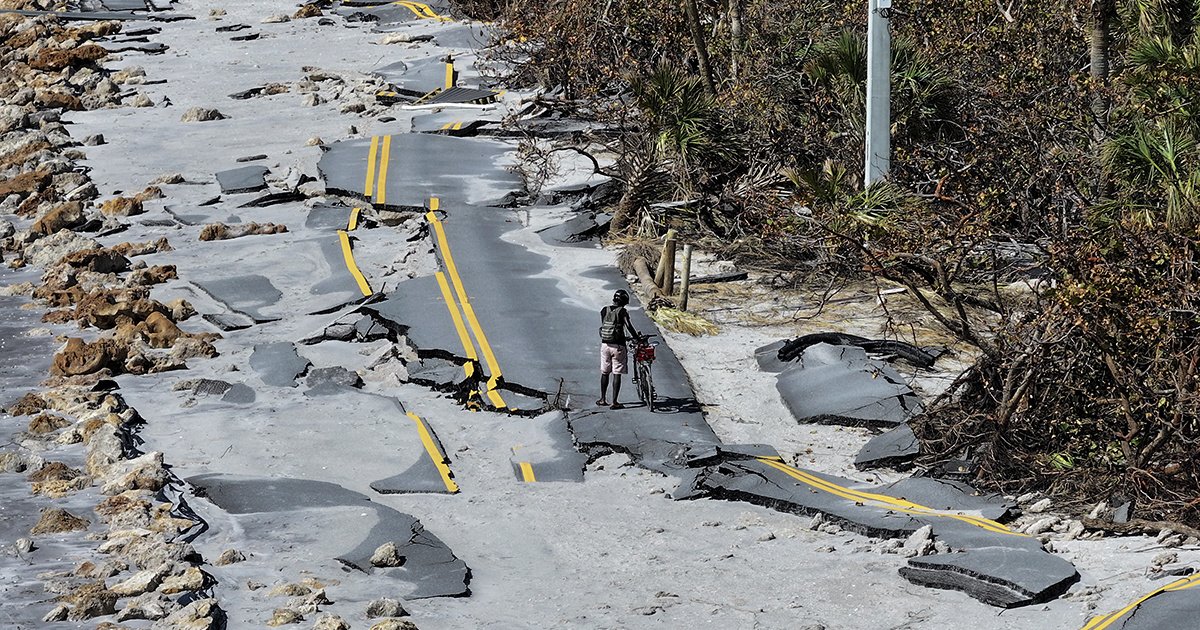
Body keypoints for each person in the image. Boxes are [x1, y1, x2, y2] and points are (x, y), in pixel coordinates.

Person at [598, 289, 639, 409]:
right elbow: (628, 326)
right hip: (618, 347)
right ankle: (614, 402)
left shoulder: (604, 310)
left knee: (605, 372)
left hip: (605, 345)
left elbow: (605, 326)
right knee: (617, 373)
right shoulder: (623, 312)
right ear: (624, 301)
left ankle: (602, 399)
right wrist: (636, 338)